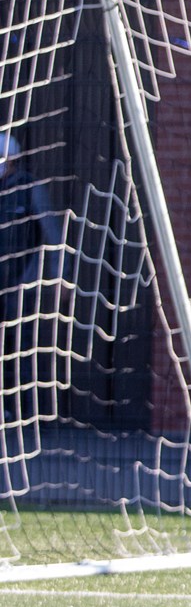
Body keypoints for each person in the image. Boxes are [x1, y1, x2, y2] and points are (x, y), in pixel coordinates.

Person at [0, 131, 66, 421]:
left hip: (21, 283)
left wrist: (58, 276)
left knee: (21, 346)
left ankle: (24, 411)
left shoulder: (29, 188)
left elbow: (51, 234)